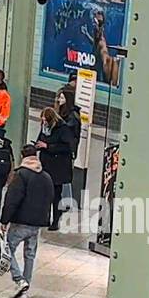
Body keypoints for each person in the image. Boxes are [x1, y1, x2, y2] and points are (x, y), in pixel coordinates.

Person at [2, 143, 55, 298]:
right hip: (37, 223)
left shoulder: (21, 175)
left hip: (20, 222)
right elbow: (51, 198)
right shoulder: (46, 176)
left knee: (7, 249)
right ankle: (25, 289)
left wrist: (4, 220)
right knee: (30, 254)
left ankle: (19, 280)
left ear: (22, 157)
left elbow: (12, 199)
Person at [35, 105, 76, 230]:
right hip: (46, 164)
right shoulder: (44, 128)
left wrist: (48, 146)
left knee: (56, 194)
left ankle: (56, 220)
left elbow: (67, 148)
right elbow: (40, 139)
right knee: (45, 193)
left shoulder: (63, 129)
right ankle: (45, 218)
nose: (44, 123)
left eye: (46, 121)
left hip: (58, 167)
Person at [56, 84, 87, 212]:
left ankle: (66, 201)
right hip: (67, 150)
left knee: (65, 177)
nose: (59, 100)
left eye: (62, 98)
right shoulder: (66, 114)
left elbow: (68, 133)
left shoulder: (72, 116)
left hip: (67, 151)